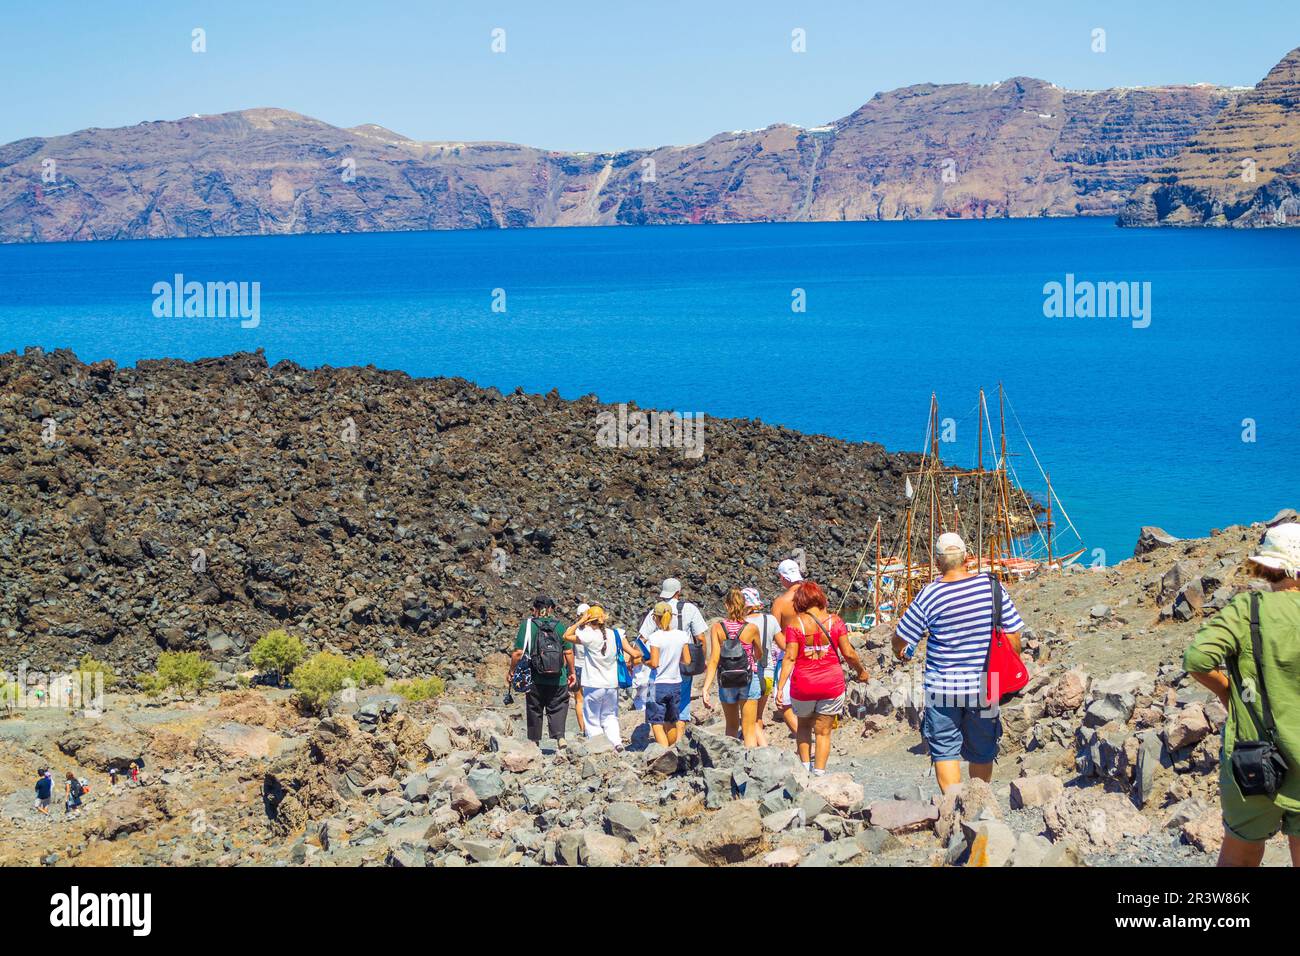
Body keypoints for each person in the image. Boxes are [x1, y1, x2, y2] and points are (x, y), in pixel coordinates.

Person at [1184, 522, 1300, 867]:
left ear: (1268, 567)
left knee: (1241, 853)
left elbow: (1196, 659)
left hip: (1253, 760)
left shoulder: (1246, 608)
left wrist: (1228, 694)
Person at [892, 532, 1024, 793]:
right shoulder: (991, 587)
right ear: (967, 558)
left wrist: (900, 651)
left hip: (943, 688)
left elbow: (902, 637)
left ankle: (954, 809)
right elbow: (1013, 635)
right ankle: (977, 804)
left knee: (944, 749)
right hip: (987, 684)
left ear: (938, 563)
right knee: (983, 749)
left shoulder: (929, 595)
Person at [776, 581, 869, 774]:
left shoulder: (796, 624)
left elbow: (790, 657)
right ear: (819, 597)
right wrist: (861, 671)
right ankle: (819, 774)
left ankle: (804, 770)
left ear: (800, 601)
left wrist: (780, 687)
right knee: (824, 732)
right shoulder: (835, 622)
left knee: (803, 727)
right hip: (830, 684)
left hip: (803, 684)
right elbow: (849, 654)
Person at [567, 604, 641, 750]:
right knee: (610, 716)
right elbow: (634, 653)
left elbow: (567, 635)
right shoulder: (616, 634)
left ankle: (598, 745)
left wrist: (581, 621)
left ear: (589, 620)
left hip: (593, 684)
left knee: (592, 718)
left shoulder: (588, 636)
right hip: (612, 684)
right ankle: (616, 742)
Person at [701, 589, 769, 747]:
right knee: (749, 729)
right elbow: (759, 655)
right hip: (747, 679)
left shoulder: (718, 628)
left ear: (726, 605)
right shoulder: (751, 628)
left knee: (731, 727)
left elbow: (714, 660)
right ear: (745, 606)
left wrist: (706, 688)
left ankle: (730, 762)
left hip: (726, 680)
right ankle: (749, 766)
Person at [508, 595, 576, 749]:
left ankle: (534, 741)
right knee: (558, 705)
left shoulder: (528, 625)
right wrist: (571, 672)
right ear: (551, 609)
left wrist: (511, 671)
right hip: (559, 678)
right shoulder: (560, 626)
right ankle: (560, 738)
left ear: (535, 609)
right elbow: (568, 653)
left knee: (534, 707)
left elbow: (518, 653)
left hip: (534, 677)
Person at [638, 578, 708, 722]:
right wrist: (702, 660)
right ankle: (679, 737)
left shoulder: (656, 611)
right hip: (682, 662)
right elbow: (700, 638)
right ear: (678, 592)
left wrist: (643, 659)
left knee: (658, 709)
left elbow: (641, 639)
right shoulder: (690, 609)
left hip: (660, 666)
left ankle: (661, 736)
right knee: (681, 707)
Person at [745, 587, 796, 738]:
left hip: (749, 674)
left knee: (750, 718)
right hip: (768, 673)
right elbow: (784, 646)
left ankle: (757, 748)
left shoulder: (742, 622)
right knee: (758, 716)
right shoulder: (770, 620)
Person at [643, 602, 692, 747]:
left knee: (656, 722)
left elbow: (655, 663)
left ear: (655, 618)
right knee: (671, 721)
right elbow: (687, 660)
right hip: (675, 683)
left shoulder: (655, 637)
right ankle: (672, 750)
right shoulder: (682, 635)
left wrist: (645, 661)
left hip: (657, 683)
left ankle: (664, 753)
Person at [571, 603, 589, 735]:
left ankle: (583, 728)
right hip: (591, 667)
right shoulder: (595, 631)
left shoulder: (574, 631)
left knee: (579, 700)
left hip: (577, 666)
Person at [772, 558, 804, 630]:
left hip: (788, 640)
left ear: (782, 577)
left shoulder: (779, 603)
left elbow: (775, 631)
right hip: (812, 640)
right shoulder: (813, 596)